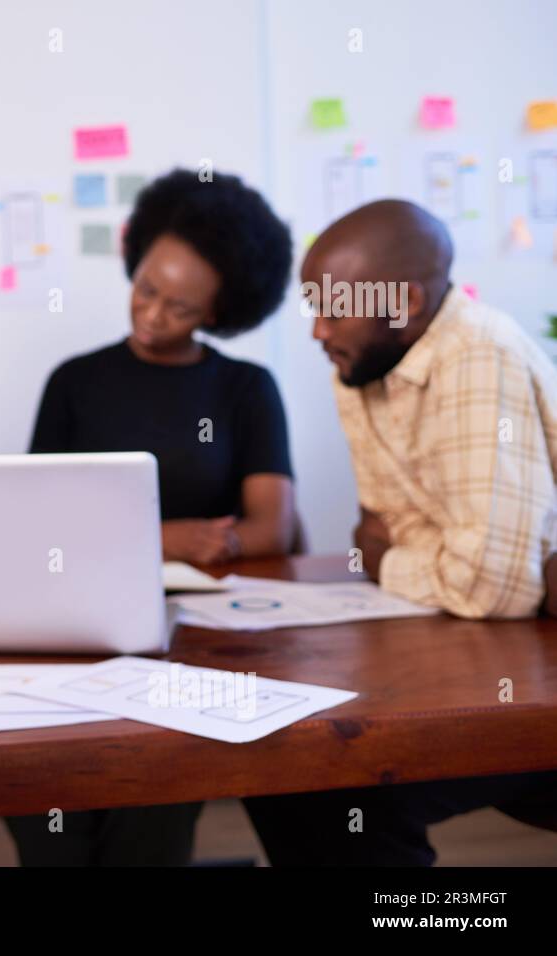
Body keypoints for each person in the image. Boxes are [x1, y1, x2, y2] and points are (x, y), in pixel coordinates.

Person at [243, 198, 557, 865]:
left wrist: (393, 559)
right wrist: (402, 555)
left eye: (332, 309)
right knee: (281, 770)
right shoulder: (362, 362)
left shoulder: (478, 355)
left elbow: (489, 587)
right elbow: (383, 533)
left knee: (328, 790)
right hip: (479, 650)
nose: (317, 331)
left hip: (532, 679)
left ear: (404, 304)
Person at [9, 167, 296, 866]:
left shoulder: (245, 389)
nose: (151, 313)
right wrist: (170, 538)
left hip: (198, 640)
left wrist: (125, 542)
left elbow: (273, 528)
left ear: (220, 314)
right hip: (76, 626)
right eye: (147, 289)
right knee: (53, 824)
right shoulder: (75, 382)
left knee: (152, 820)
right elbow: (36, 526)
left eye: (180, 308)